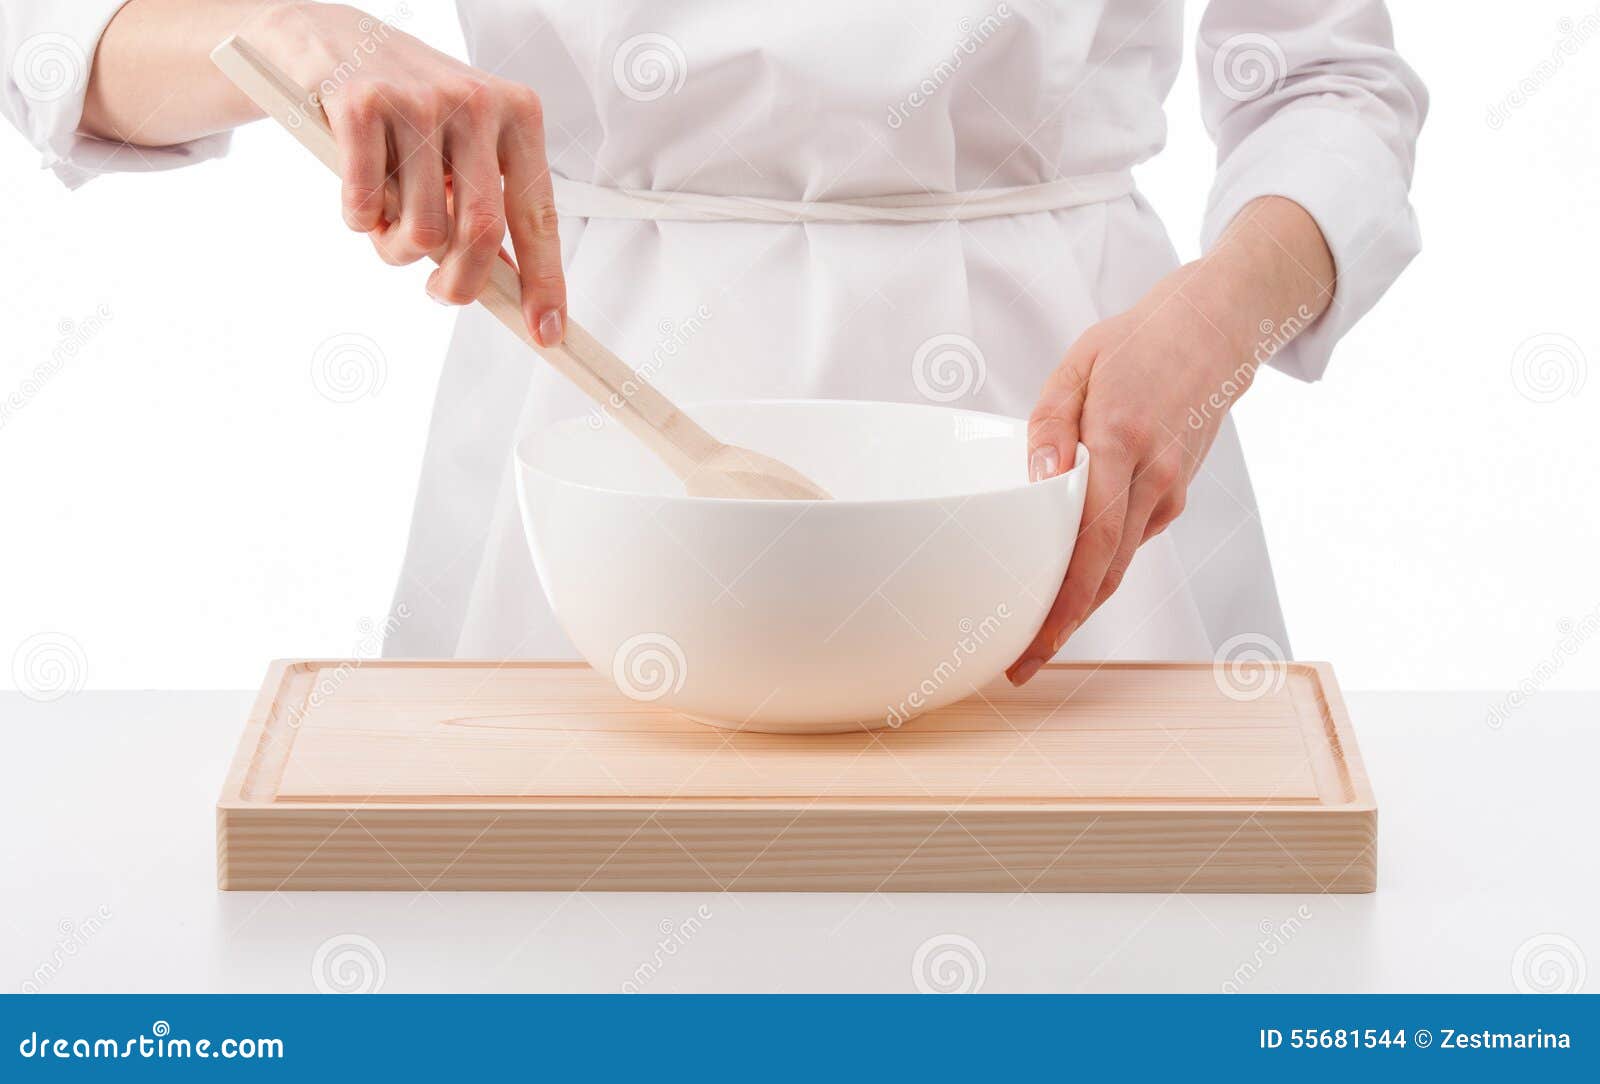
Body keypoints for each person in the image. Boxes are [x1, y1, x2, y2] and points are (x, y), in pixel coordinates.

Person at [1, 1, 1424, 685]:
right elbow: (55, 36)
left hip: (1074, 463)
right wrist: (288, 32)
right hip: (591, 458)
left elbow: (1328, 80)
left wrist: (1226, 315)